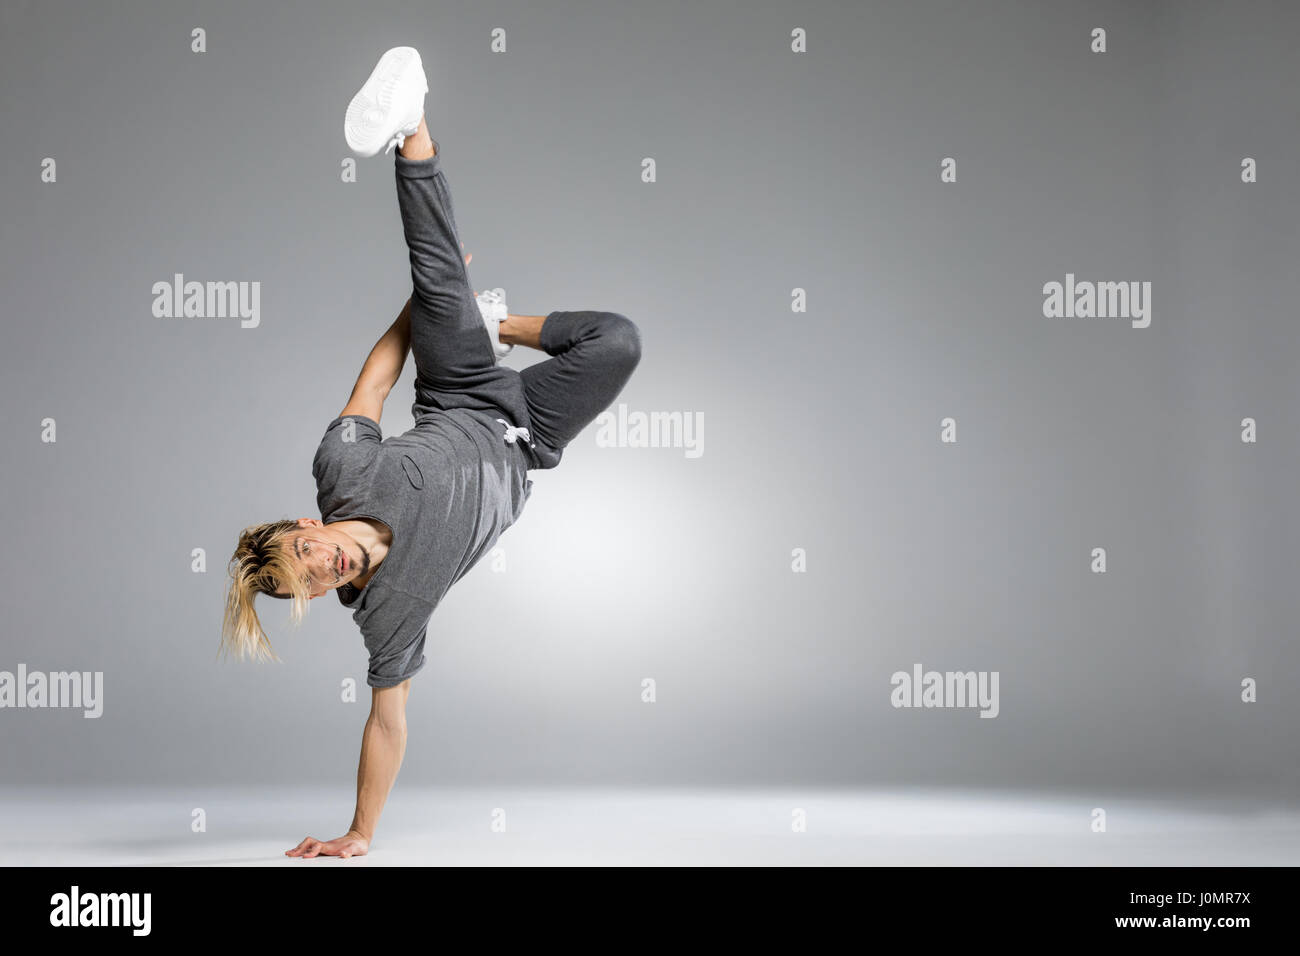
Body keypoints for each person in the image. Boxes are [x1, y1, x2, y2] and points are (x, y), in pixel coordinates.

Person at [219, 46, 642, 858]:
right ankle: (493, 316)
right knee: (618, 342)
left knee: (439, 275)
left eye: (307, 551)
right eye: (308, 582)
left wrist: (427, 307)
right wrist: (359, 833)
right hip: (530, 439)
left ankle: (412, 125)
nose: (323, 567)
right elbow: (385, 721)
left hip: (461, 391)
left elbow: (376, 383)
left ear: (309, 522)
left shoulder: (343, 471)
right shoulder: (388, 617)